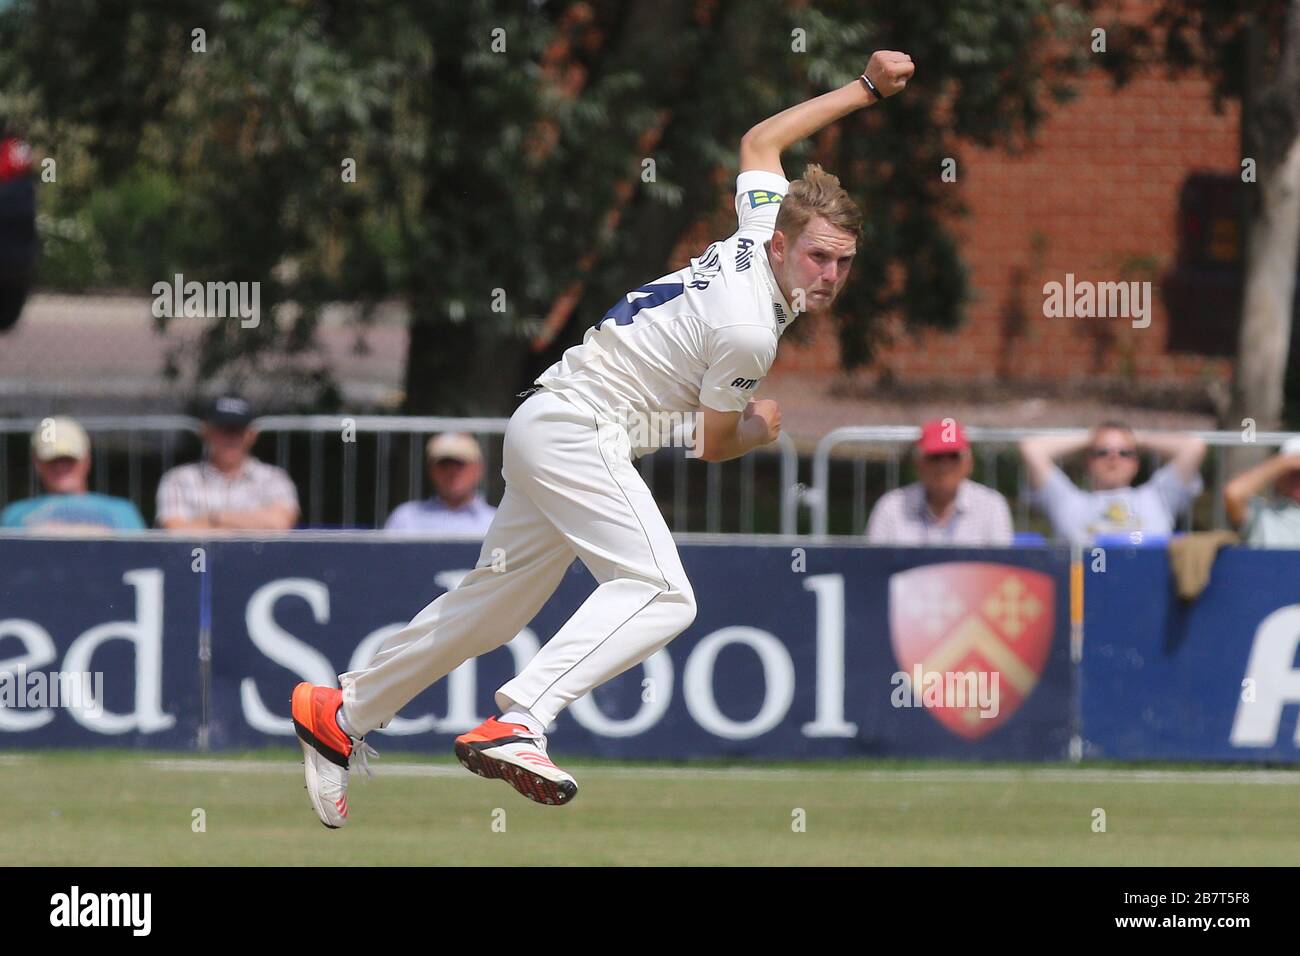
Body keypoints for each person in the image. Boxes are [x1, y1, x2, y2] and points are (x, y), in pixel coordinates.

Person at [290, 50, 916, 828]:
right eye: (820, 256)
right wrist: (764, 427)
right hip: (579, 430)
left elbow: (760, 143)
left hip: (548, 423)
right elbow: (715, 445)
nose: (830, 275)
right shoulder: (751, 331)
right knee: (662, 592)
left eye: (844, 263)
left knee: (492, 611)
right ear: (785, 247)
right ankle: (521, 719)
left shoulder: (761, 226)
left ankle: (341, 711)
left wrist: (861, 90)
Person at [1019, 421, 1206, 545]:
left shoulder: (1157, 497)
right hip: (1084, 594)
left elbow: (1193, 446)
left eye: (1124, 452)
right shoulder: (1069, 502)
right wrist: (1092, 436)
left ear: (1136, 463)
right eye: (1102, 452)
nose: (1113, 458)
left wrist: (1137, 437)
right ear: (1087, 462)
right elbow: (1032, 448)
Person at [156, 395, 299, 531]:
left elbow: (280, 524)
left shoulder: (274, 477)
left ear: (251, 435)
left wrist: (214, 517)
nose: (231, 439)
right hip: (199, 558)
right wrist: (253, 526)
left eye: (238, 431)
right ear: (206, 432)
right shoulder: (178, 479)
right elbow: (176, 532)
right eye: (223, 430)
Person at [866, 419, 1012, 546]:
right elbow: (874, 565)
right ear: (918, 463)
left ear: (968, 463)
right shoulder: (891, 507)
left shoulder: (991, 505)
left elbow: (1000, 568)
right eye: (935, 457)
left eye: (953, 456)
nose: (944, 466)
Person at [0, 416, 145, 532]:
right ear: (37, 463)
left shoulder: (122, 512)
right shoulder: (14, 515)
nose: (61, 467)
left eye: (69, 459)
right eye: (52, 460)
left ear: (87, 460)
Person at [384, 433, 496, 534]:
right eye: (444, 464)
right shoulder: (405, 518)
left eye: (460, 464)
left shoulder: (497, 522)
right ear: (430, 470)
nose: (452, 472)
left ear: (478, 469)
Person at [1224, 436, 1300, 548]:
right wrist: (1285, 462)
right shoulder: (1262, 515)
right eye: (1292, 472)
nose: (1297, 479)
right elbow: (1233, 493)